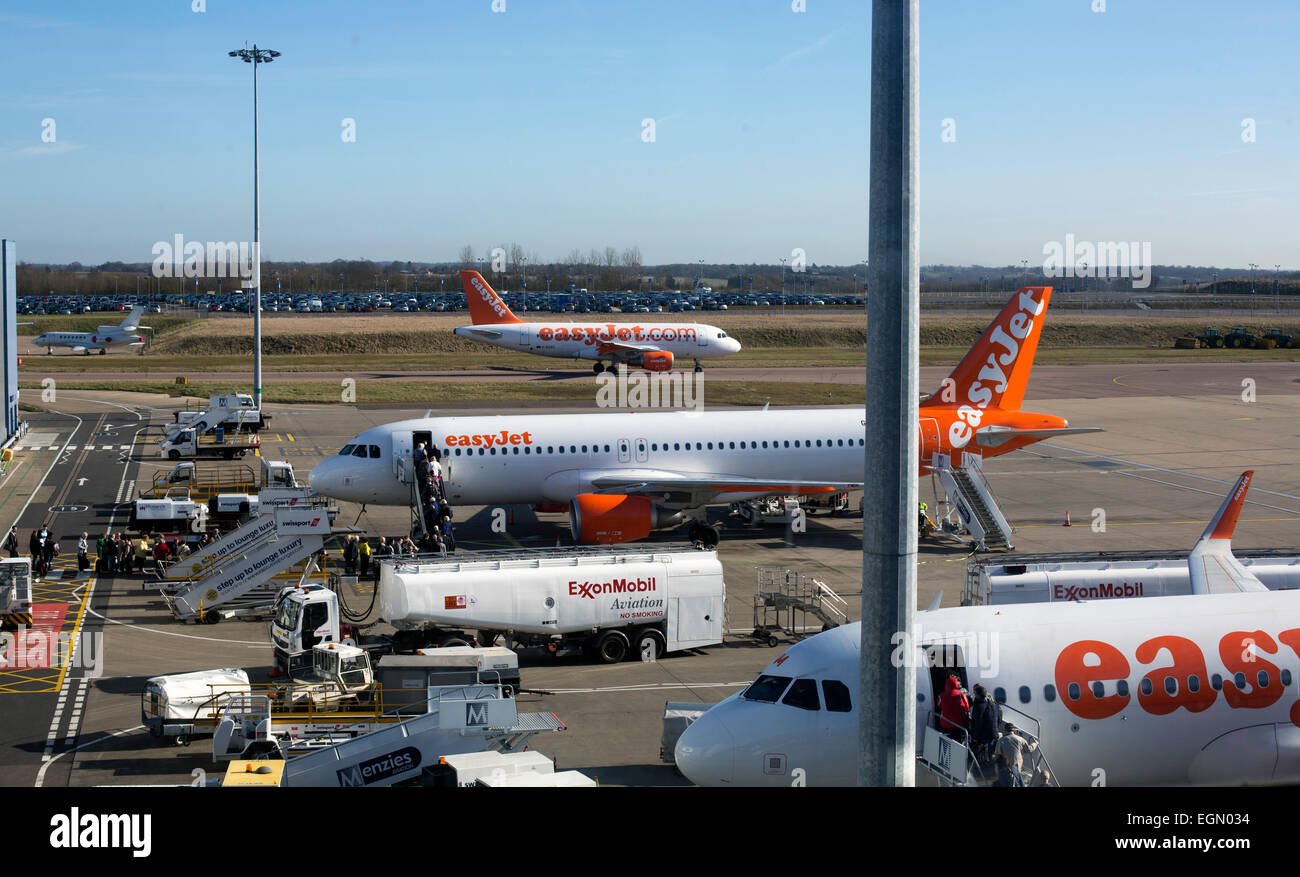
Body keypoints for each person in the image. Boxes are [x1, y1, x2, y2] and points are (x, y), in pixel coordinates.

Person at [969, 683, 1001, 763]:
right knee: (991, 753)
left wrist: (975, 737)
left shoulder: (979, 707)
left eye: (975, 693)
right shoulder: (994, 704)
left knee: (982, 754)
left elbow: (977, 723)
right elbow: (999, 718)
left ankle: (985, 768)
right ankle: (993, 768)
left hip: (985, 736)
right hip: (994, 733)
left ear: (978, 695)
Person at [936, 674, 970, 739]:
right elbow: (967, 708)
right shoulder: (961, 694)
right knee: (957, 739)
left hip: (946, 723)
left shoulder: (941, 695)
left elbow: (939, 706)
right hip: (959, 724)